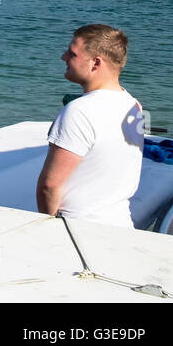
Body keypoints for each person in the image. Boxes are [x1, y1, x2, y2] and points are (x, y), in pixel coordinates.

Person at [36, 24, 144, 229]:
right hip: (120, 224)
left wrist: (48, 227)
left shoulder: (78, 111)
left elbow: (49, 187)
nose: (63, 57)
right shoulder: (133, 105)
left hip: (78, 229)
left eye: (72, 53)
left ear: (96, 63)